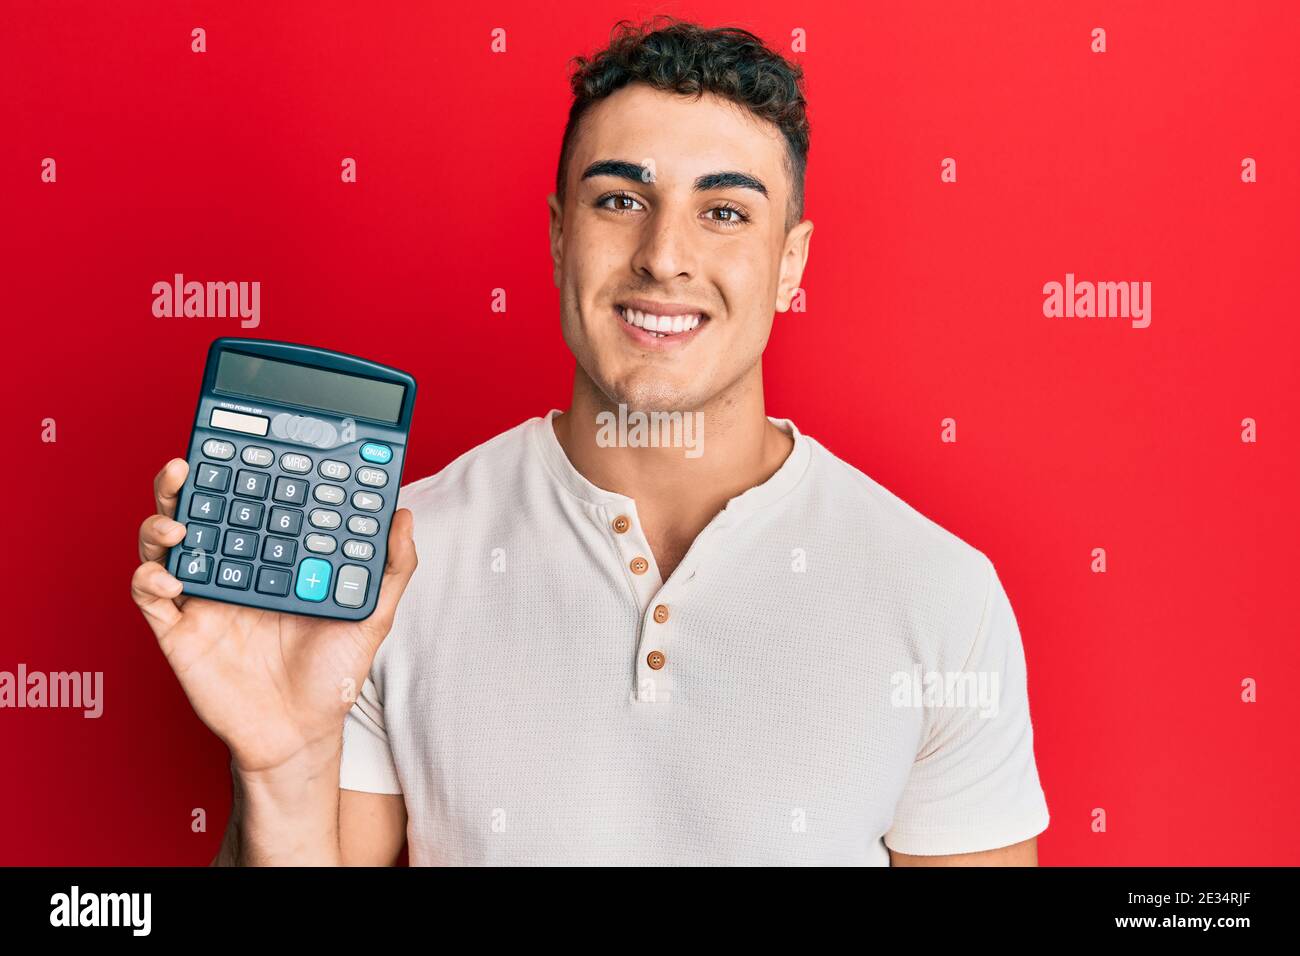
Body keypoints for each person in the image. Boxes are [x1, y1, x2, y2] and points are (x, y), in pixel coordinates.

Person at [131, 16, 1049, 865]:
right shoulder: (392, 560)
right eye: (619, 200)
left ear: (791, 263)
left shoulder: (939, 593)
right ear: (560, 235)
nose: (663, 256)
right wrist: (282, 767)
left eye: (724, 212)